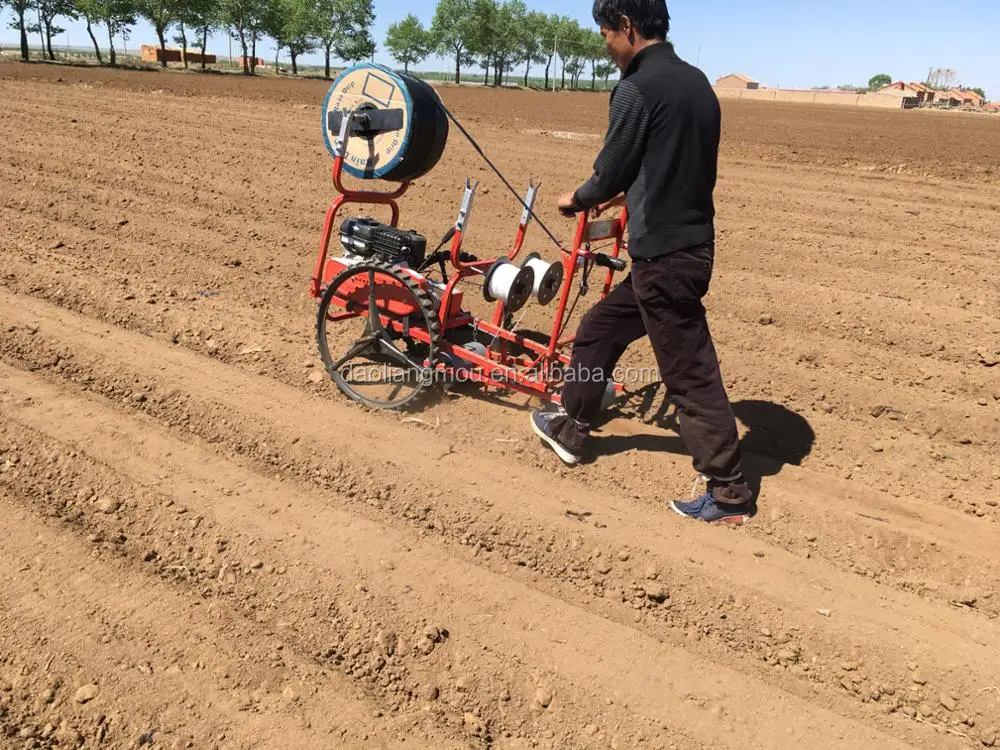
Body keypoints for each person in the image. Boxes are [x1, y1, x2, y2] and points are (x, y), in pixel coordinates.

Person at [529, 0, 755, 524]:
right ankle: (572, 426)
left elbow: (612, 168)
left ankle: (729, 494)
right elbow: (671, 163)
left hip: (665, 257)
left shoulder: (635, 87)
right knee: (599, 328)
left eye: (605, 33)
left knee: (689, 372)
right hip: (688, 247)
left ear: (626, 27)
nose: (606, 45)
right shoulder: (697, 83)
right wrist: (625, 194)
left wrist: (580, 198)